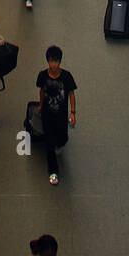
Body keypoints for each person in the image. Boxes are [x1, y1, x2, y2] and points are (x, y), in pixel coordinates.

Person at [35, 46, 77, 185]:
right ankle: (53, 171)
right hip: (48, 114)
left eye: (56, 61)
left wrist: (72, 112)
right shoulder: (42, 75)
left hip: (61, 114)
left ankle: (60, 142)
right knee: (49, 143)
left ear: (60, 62)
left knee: (62, 137)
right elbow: (42, 90)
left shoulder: (66, 76)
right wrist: (41, 105)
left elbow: (71, 94)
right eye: (51, 61)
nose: (53, 64)